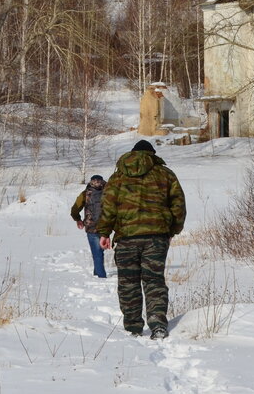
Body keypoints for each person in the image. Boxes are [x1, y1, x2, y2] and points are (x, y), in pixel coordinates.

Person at [97, 140, 186, 340]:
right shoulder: (165, 174)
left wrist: (104, 232)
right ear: (152, 154)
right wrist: (172, 230)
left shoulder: (118, 177)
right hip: (156, 238)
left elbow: (108, 207)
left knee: (128, 282)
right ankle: (157, 324)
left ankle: (132, 327)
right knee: (154, 280)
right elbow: (178, 205)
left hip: (126, 238)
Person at [69, 175, 108, 277]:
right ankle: (97, 274)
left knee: (97, 253)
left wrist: (78, 219)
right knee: (99, 252)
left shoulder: (85, 193)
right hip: (106, 226)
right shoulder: (108, 192)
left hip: (91, 226)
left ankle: (101, 277)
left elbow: (74, 209)